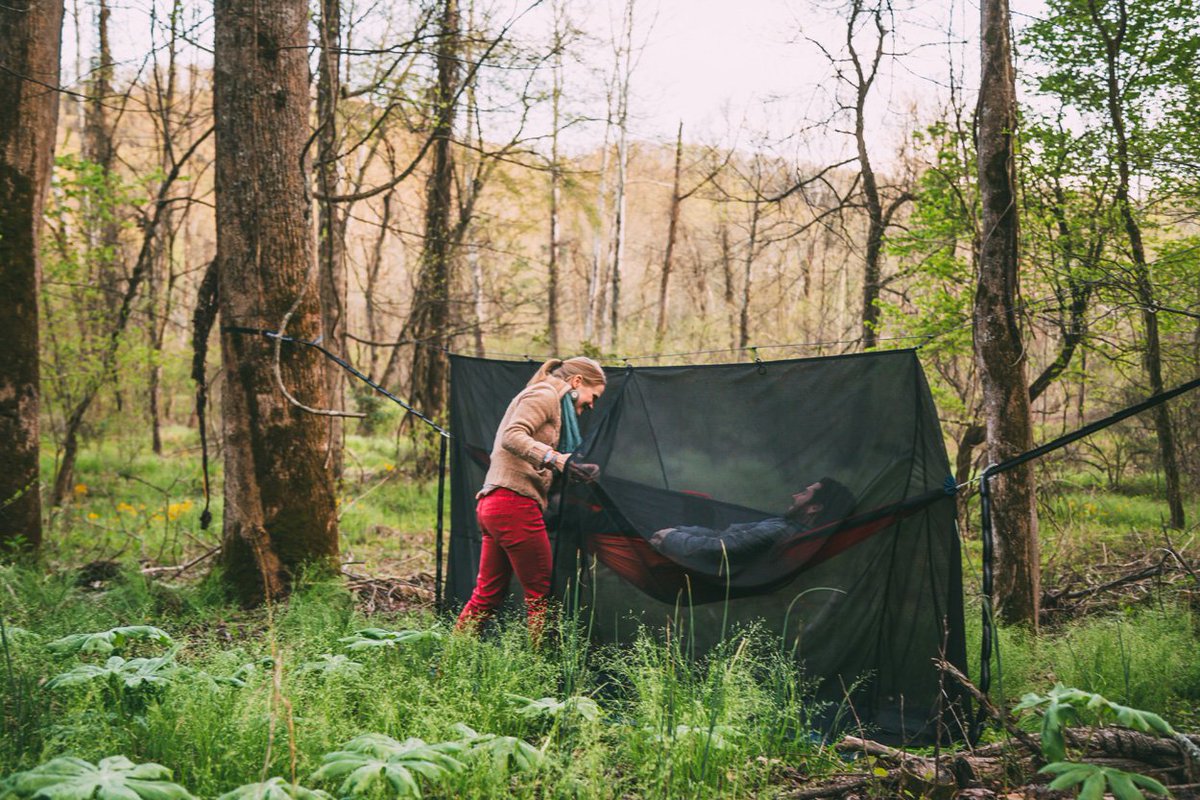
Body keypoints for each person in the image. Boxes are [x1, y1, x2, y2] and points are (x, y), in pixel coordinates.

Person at [456, 357, 605, 636]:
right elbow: (512, 437)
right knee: (541, 597)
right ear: (576, 382)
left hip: (496, 505)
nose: (592, 404)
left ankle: (450, 664)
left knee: (487, 596)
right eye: (593, 396)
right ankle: (538, 674)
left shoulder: (552, 403)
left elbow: (540, 457)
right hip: (514, 504)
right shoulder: (545, 394)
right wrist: (555, 458)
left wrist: (574, 468)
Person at [647, 478, 855, 573]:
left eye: (804, 493)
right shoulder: (788, 527)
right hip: (702, 548)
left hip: (702, 567)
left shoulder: (780, 531)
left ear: (813, 508)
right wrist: (677, 531)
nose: (795, 496)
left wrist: (670, 537)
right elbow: (720, 536)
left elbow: (720, 549)